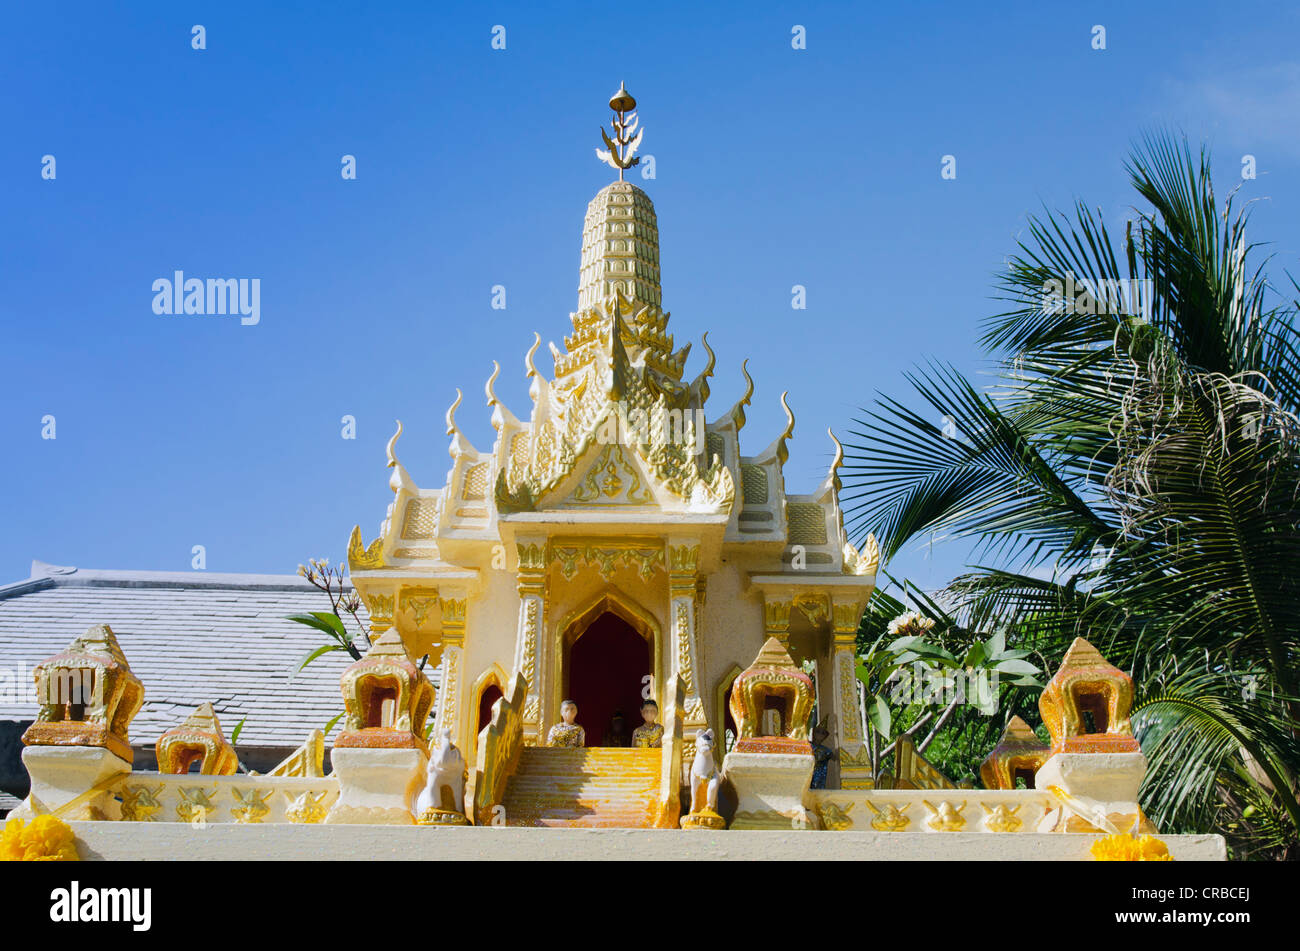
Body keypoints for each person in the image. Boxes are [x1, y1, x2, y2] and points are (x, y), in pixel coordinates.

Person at [810, 718, 835, 789]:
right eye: (818, 731)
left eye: (823, 733)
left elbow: (835, 758)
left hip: (819, 778)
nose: (820, 734)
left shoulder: (826, 750)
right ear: (813, 733)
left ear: (825, 736)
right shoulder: (808, 745)